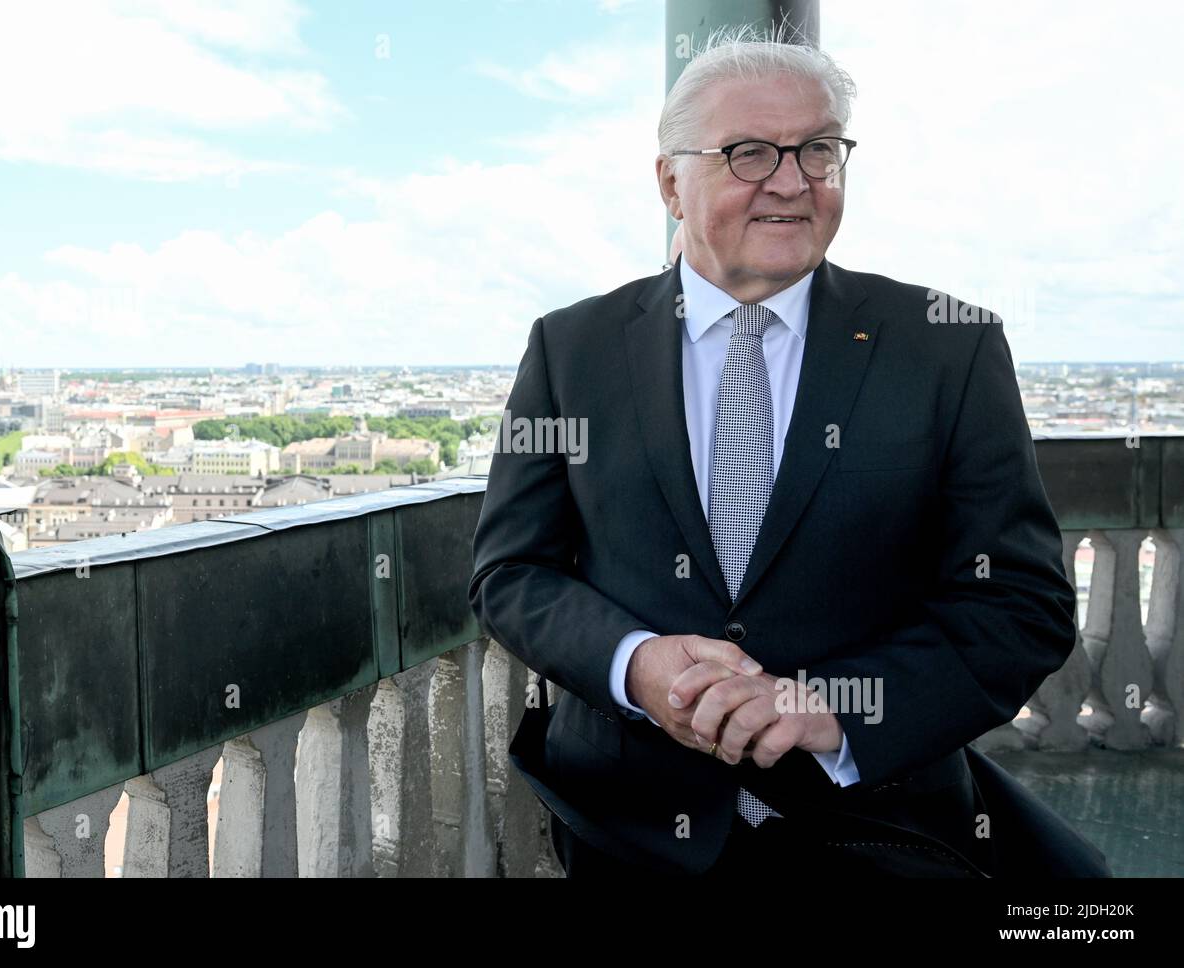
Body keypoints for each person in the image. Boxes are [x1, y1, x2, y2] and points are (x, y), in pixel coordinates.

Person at [469, 25, 1110, 878]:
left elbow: (1022, 603)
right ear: (670, 182)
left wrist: (835, 711)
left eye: (818, 150)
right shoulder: (569, 348)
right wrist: (637, 666)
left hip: (876, 826)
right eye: (748, 153)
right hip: (628, 830)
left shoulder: (948, 346)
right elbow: (512, 573)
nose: (791, 181)